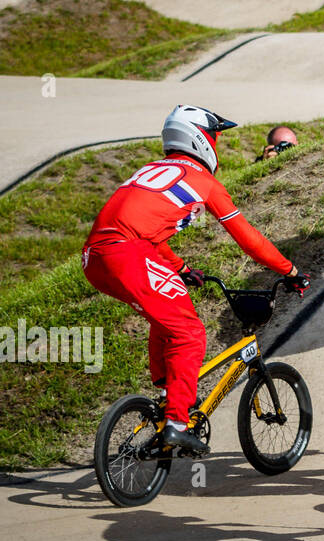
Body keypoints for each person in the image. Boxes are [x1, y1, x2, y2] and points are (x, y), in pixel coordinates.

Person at [82, 106, 307, 458]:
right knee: (189, 333)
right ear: (201, 138)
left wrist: (181, 267)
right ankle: (178, 422)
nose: (216, 144)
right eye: (215, 136)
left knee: (167, 314)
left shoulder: (149, 170)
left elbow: (143, 231)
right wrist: (290, 270)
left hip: (96, 258)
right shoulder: (202, 180)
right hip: (127, 254)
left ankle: (166, 394)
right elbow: (249, 240)